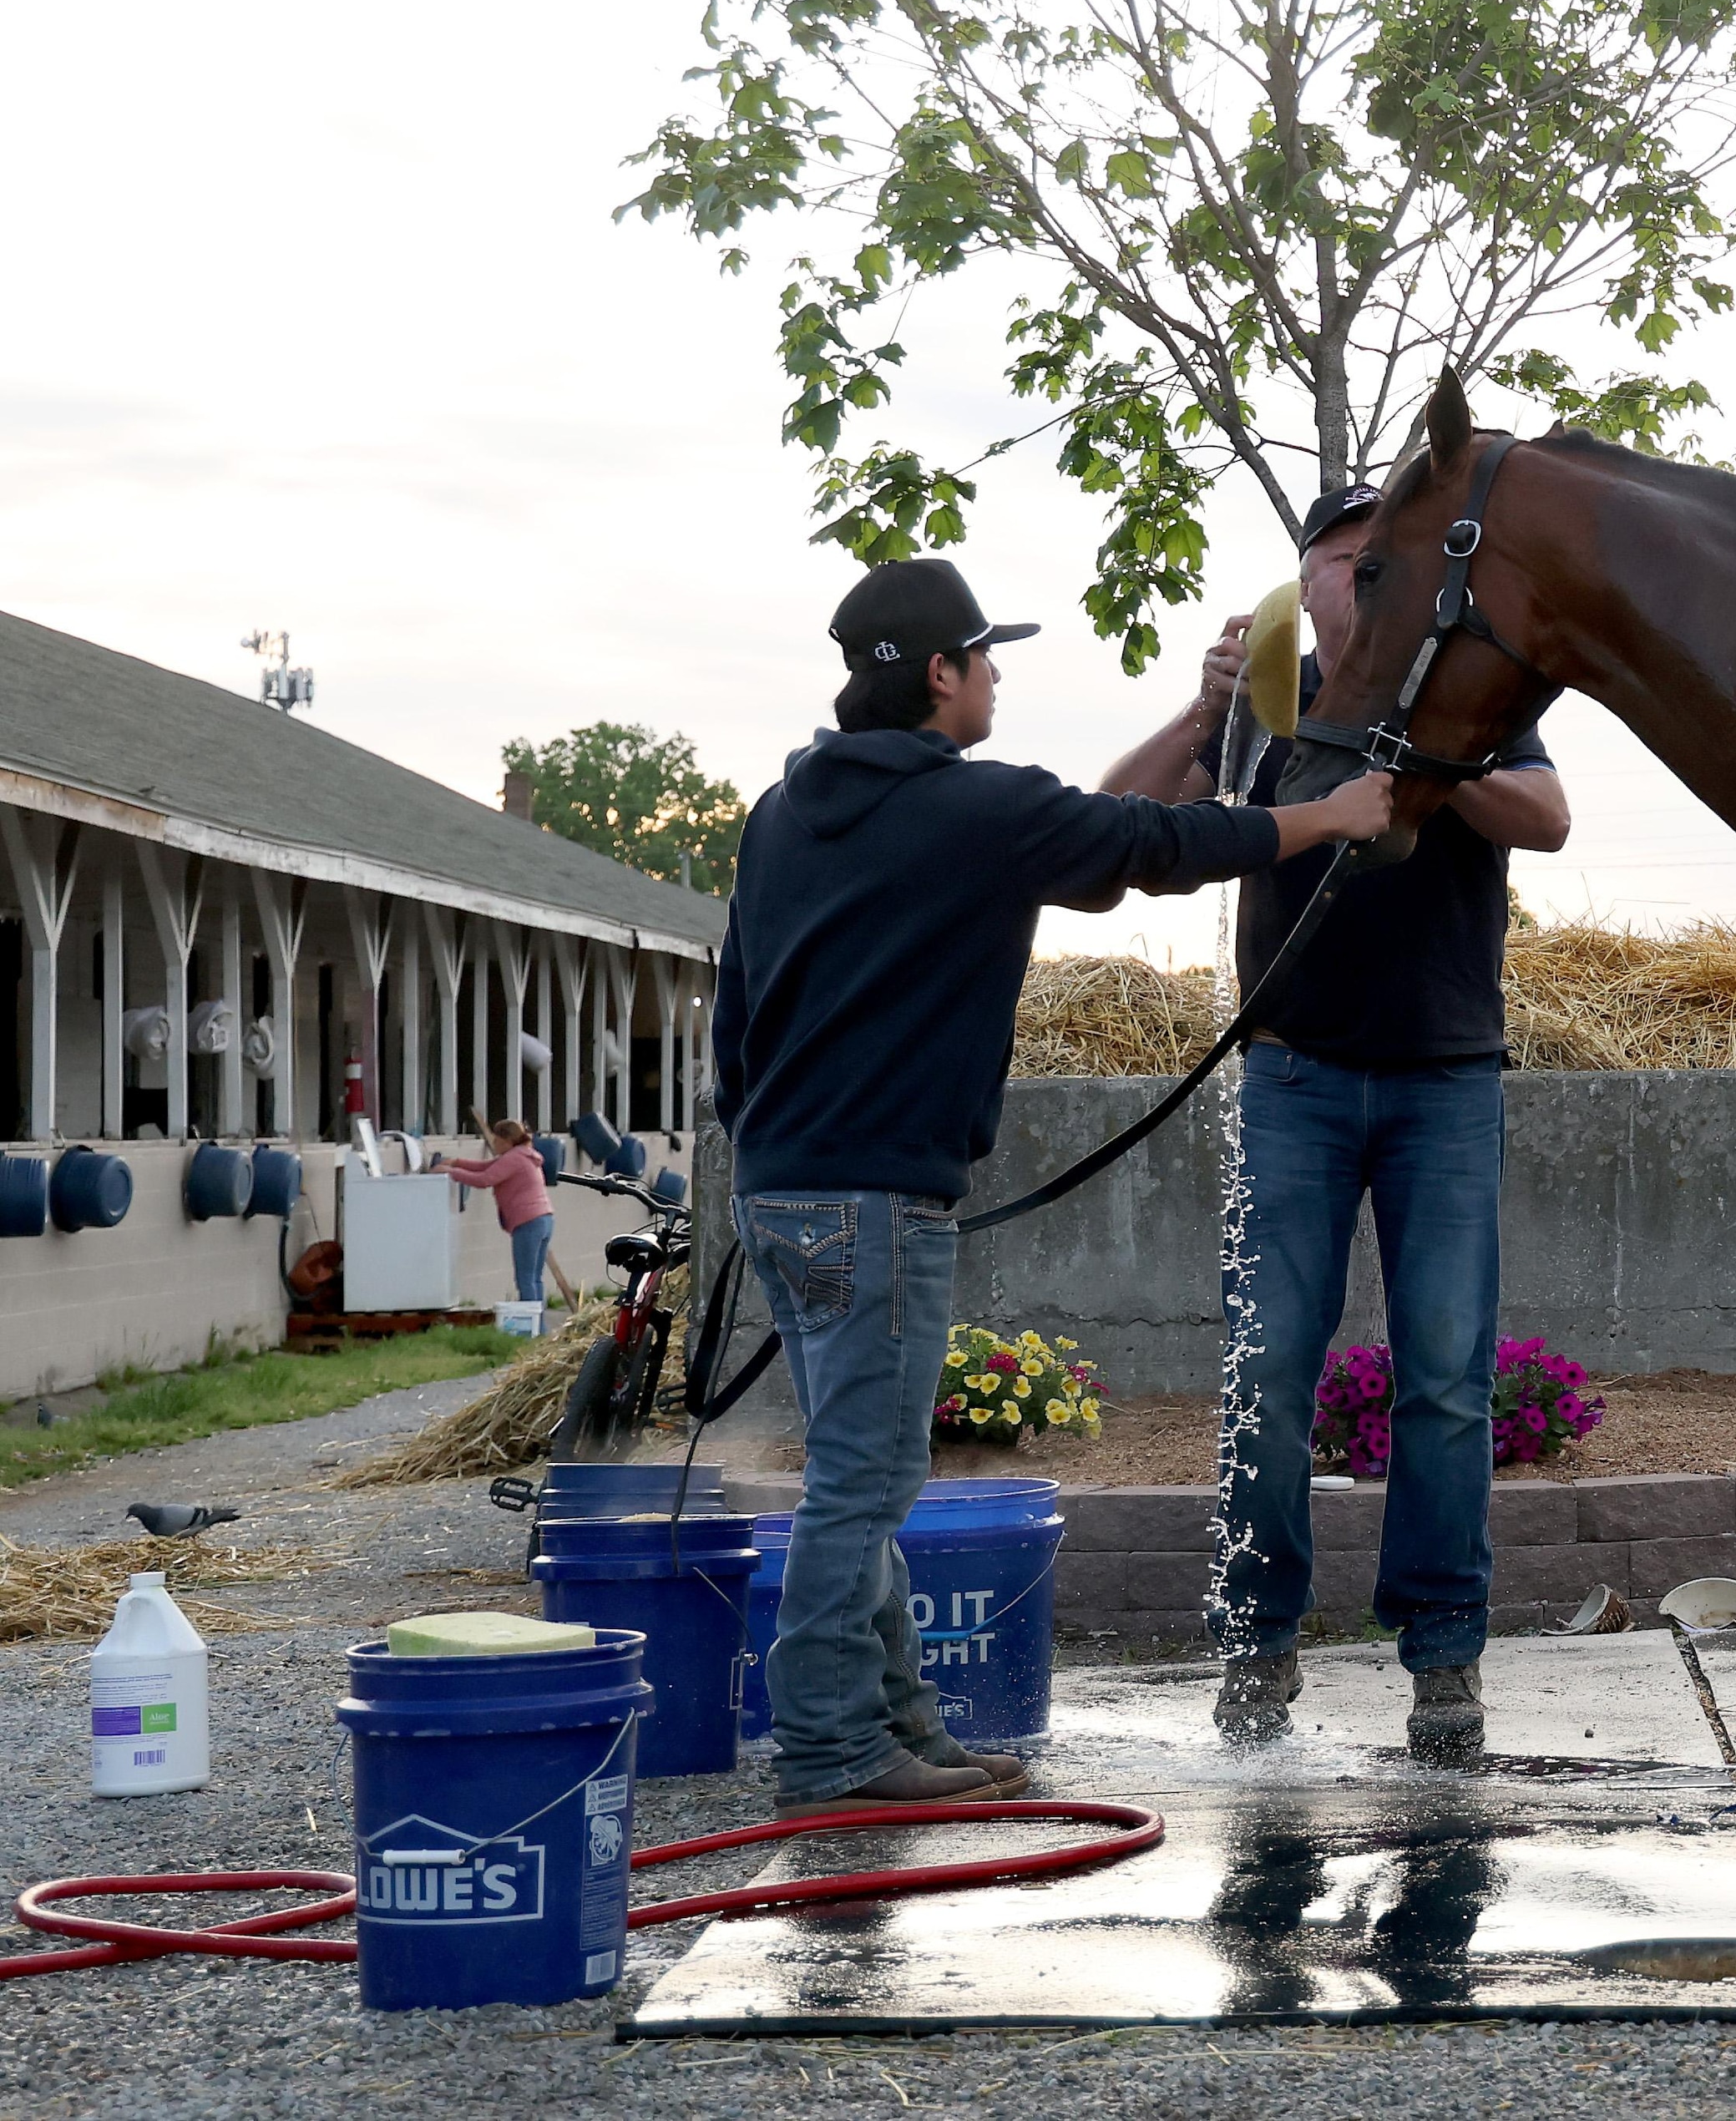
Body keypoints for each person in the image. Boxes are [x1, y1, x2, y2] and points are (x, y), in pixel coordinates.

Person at [717, 555, 1398, 1807]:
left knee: (854, 1476)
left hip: (782, 1186)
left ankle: (901, 1732)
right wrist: (1329, 818)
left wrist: (1205, 720)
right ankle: (828, 1751)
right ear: (939, 674)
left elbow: (738, 1005)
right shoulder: (967, 806)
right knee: (864, 1487)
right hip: (876, 1199)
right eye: (985, 656)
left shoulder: (784, 809)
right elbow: (1156, 842)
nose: (996, 676)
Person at [1099, 478, 1568, 1749]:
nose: (1360, 585)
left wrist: (1433, 756)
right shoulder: (1262, 698)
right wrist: (1203, 707)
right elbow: (1125, 826)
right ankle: (1257, 1644)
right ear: (1300, 580)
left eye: (1383, 563)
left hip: (1447, 1082)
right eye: (1342, 564)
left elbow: (1551, 818)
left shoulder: (1466, 684)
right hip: (1291, 1078)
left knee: (1449, 1380)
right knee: (1265, 1376)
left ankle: (1443, 1656)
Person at [440, 1117, 559, 1305]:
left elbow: (485, 1179)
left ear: (507, 1141)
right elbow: (487, 1167)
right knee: (535, 1278)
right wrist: (456, 1162)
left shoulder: (514, 1158)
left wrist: (450, 1172)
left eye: (497, 1140)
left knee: (525, 1278)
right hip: (544, 1218)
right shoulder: (525, 1154)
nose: (494, 1144)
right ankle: (538, 1325)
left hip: (527, 1221)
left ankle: (530, 1328)